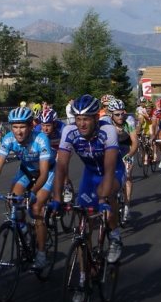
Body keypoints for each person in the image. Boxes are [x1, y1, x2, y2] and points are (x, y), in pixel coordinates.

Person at [0, 107, 57, 271]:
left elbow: (43, 173)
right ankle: (25, 233)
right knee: (13, 200)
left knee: (36, 208)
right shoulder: (8, 139)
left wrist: (33, 192)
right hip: (27, 170)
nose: (19, 131)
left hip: (46, 172)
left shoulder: (41, 139)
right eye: (15, 127)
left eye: (22, 127)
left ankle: (42, 255)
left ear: (30, 126)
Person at [52, 94, 124, 266]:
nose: (81, 124)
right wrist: (56, 198)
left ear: (96, 118)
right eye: (78, 119)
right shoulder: (69, 132)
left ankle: (114, 236)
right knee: (83, 224)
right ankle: (86, 277)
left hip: (113, 172)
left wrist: (103, 199)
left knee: (104, 195)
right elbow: (61, 167)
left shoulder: (108, 131)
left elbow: (109, 168)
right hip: (90, 174)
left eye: (86, 119)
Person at [106, 98, 138, 220]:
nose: (120, 116)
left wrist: (129, 155)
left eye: (122, 113)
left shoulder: (128, 122)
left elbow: (135, 143)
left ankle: (127, 205)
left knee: (128, 176)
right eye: (117, 114)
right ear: (111, 114)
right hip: (111, 150)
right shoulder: (106, 123)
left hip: (126, 149)